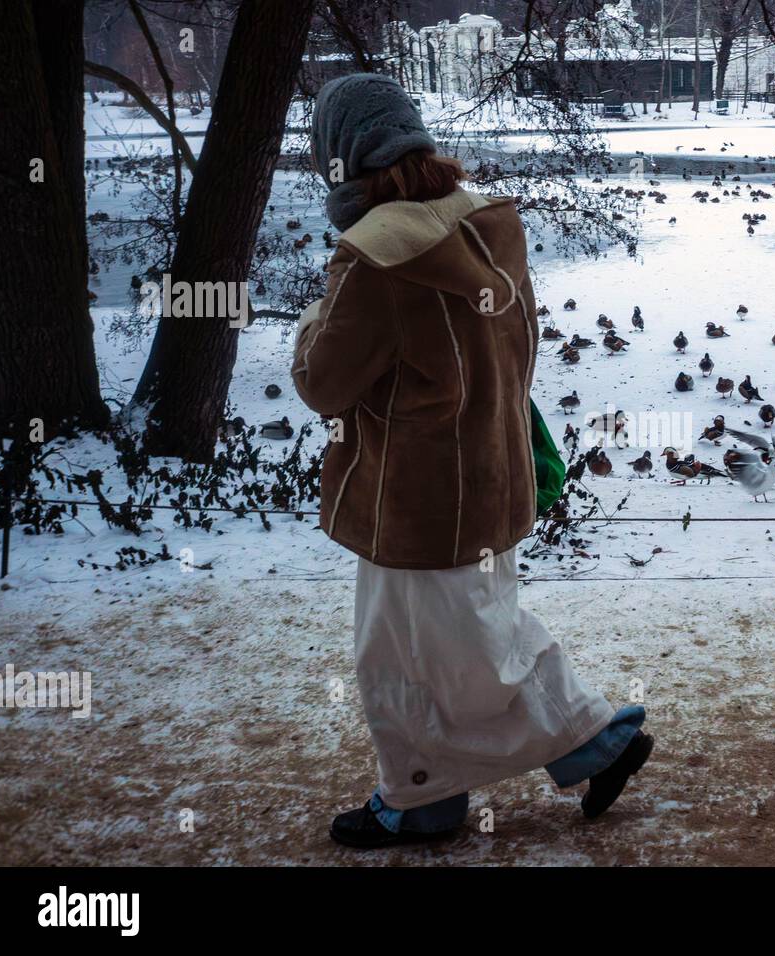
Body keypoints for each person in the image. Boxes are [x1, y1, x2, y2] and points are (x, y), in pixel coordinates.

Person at [292, 74, 652, 849]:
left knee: (412, 656)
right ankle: (443, 787)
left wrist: (314, 317)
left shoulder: (375, 257)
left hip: (415, 499)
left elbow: (324, 386)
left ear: (343, 156)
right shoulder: (488, 223)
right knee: (474, 641)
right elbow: (517, 352)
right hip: (490, 480)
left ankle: (468, 782)